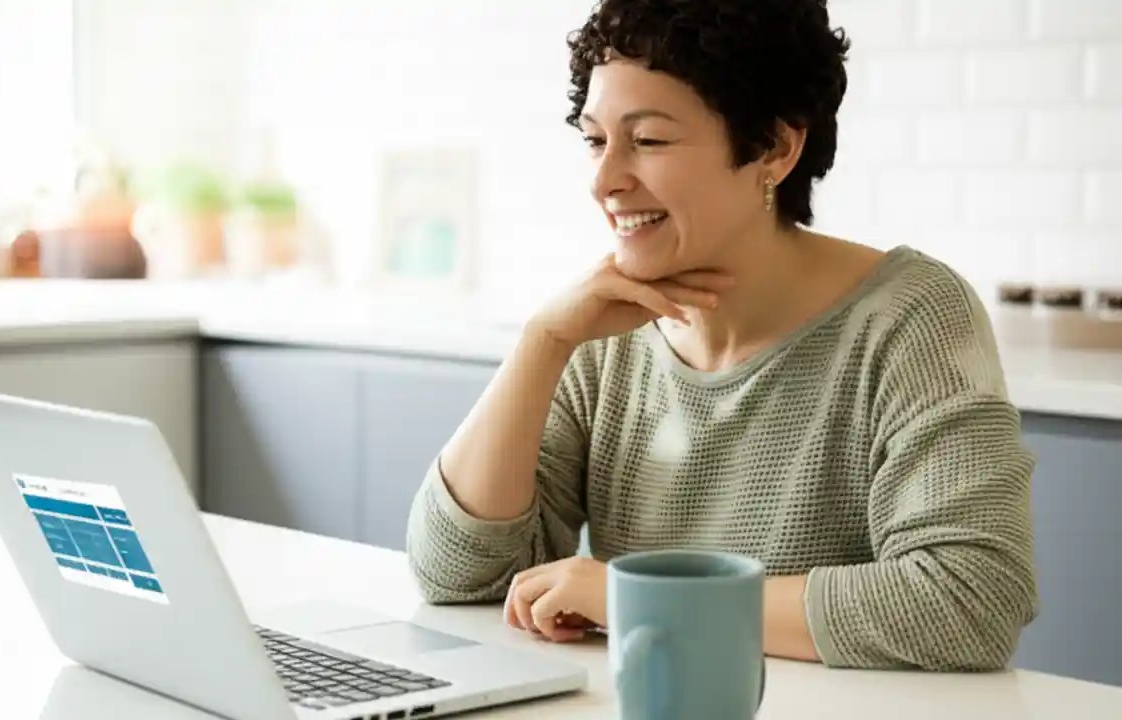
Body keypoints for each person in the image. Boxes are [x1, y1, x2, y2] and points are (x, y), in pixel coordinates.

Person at [406, 0, 1037, 671]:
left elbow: (970, 601)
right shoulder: (601, 335)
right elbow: (458, 576)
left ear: (774, 146)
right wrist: (542, 343)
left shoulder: (911, 317)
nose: (603, 180)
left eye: (647, 140)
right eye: (595, 140)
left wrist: (639, 599)